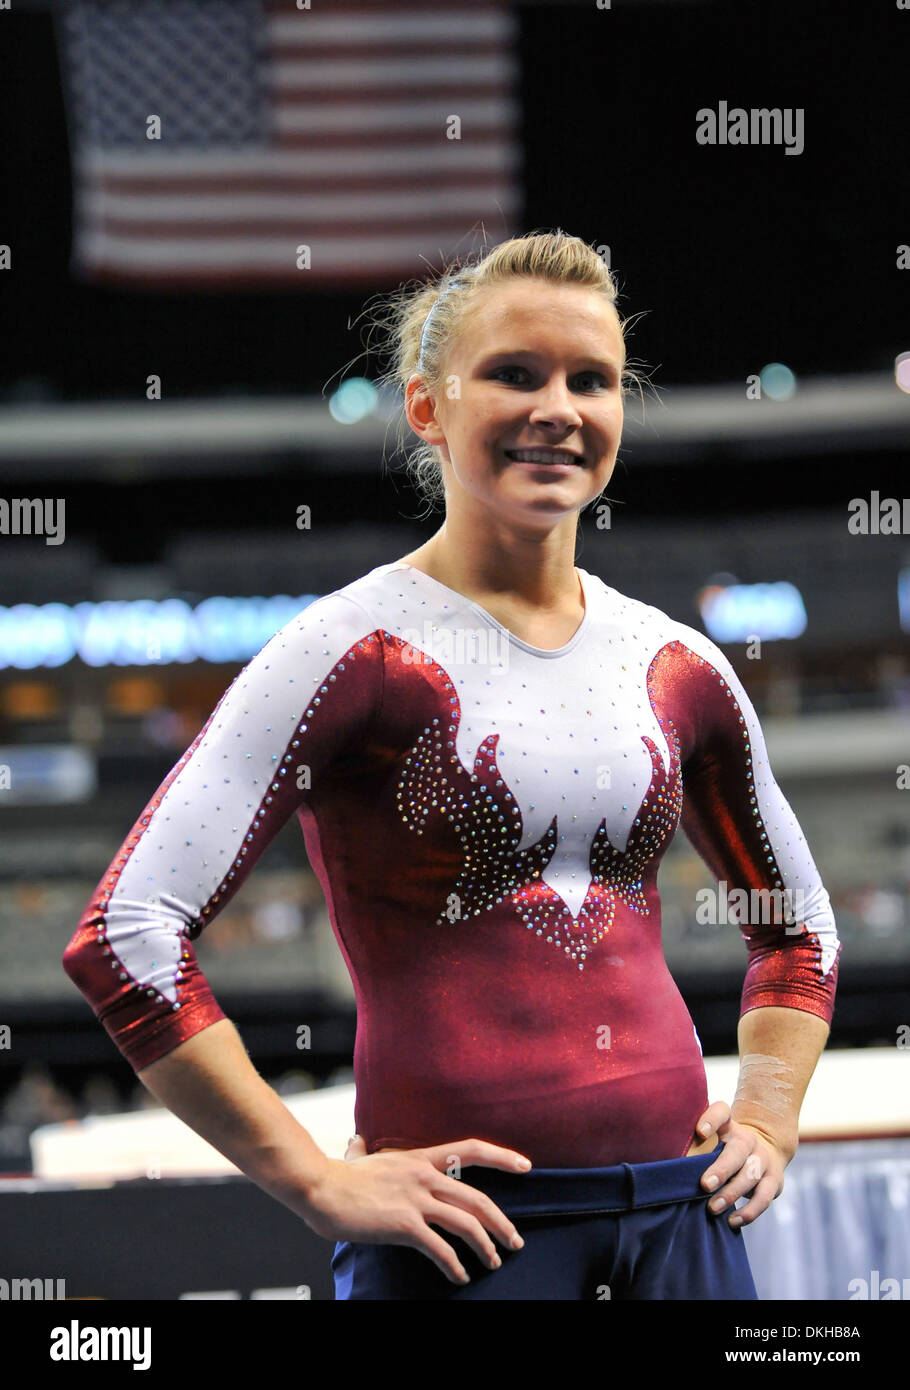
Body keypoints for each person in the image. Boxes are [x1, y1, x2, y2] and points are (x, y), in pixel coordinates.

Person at [63, 230, 840, 1300]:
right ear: (429, 407)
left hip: (684, 1215)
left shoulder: (676, 663)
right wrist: (314, 1182)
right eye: (514, 374)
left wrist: (766, 1109)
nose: (557, 408)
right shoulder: (350, 651)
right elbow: (124, 936)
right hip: (464, 1245)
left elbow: (797, 926)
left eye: (591, 380)